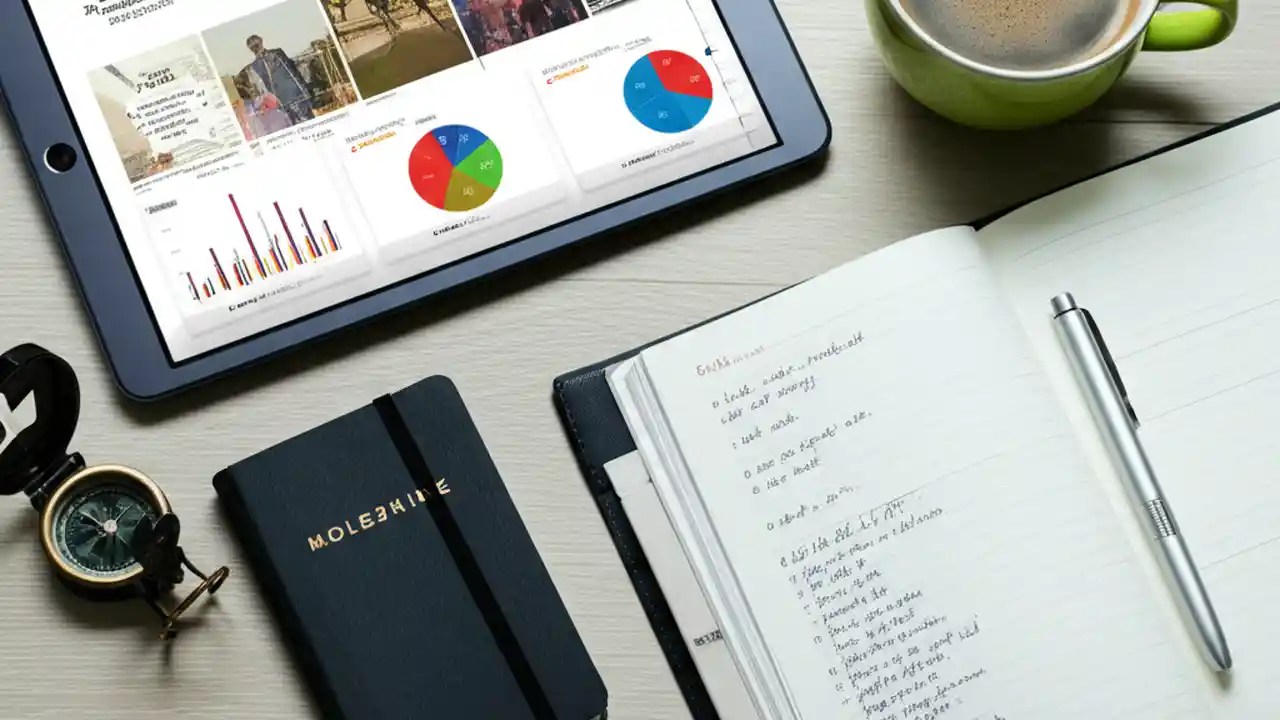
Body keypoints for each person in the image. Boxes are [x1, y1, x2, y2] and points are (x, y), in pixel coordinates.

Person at [245, 35, 314, 126]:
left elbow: (261, 89)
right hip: (297, 93)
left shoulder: (253, 67)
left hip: (281, 102)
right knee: (310, 122)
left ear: (250, 49)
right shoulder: (277, 53)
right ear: (261, 41)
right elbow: (293, 69)